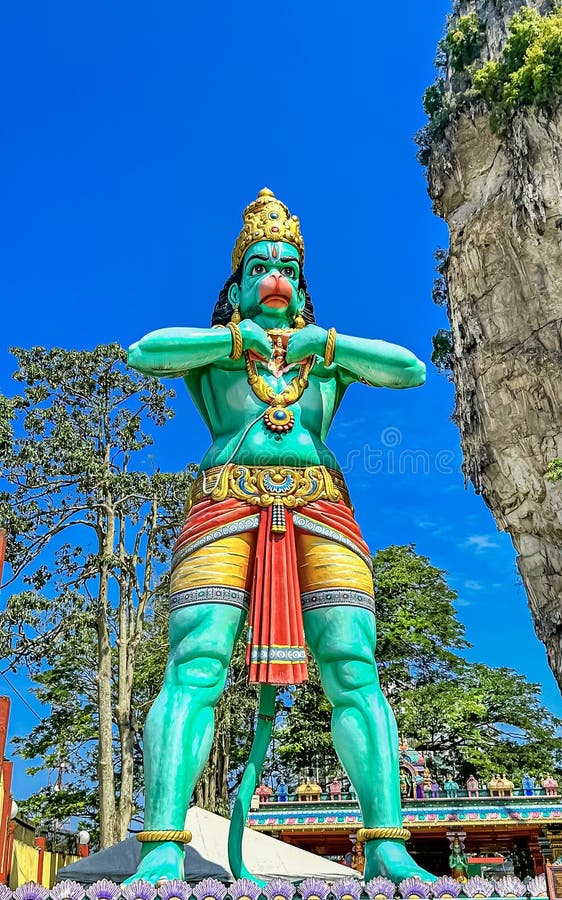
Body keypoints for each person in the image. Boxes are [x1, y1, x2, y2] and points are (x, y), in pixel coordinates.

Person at [125, 189, 429, 886]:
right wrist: (237, 340)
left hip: (322, 507)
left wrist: (326, 343)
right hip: (225, 504)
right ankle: (162, 846)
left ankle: (386, 840)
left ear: (301, 288)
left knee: (353, 665)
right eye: (260, 265)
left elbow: (408, 369)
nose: (275, 278)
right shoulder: (217, 353)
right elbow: (146, 351)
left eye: (288, 267)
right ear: (235, 287)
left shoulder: (325, 359)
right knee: (196, 663)